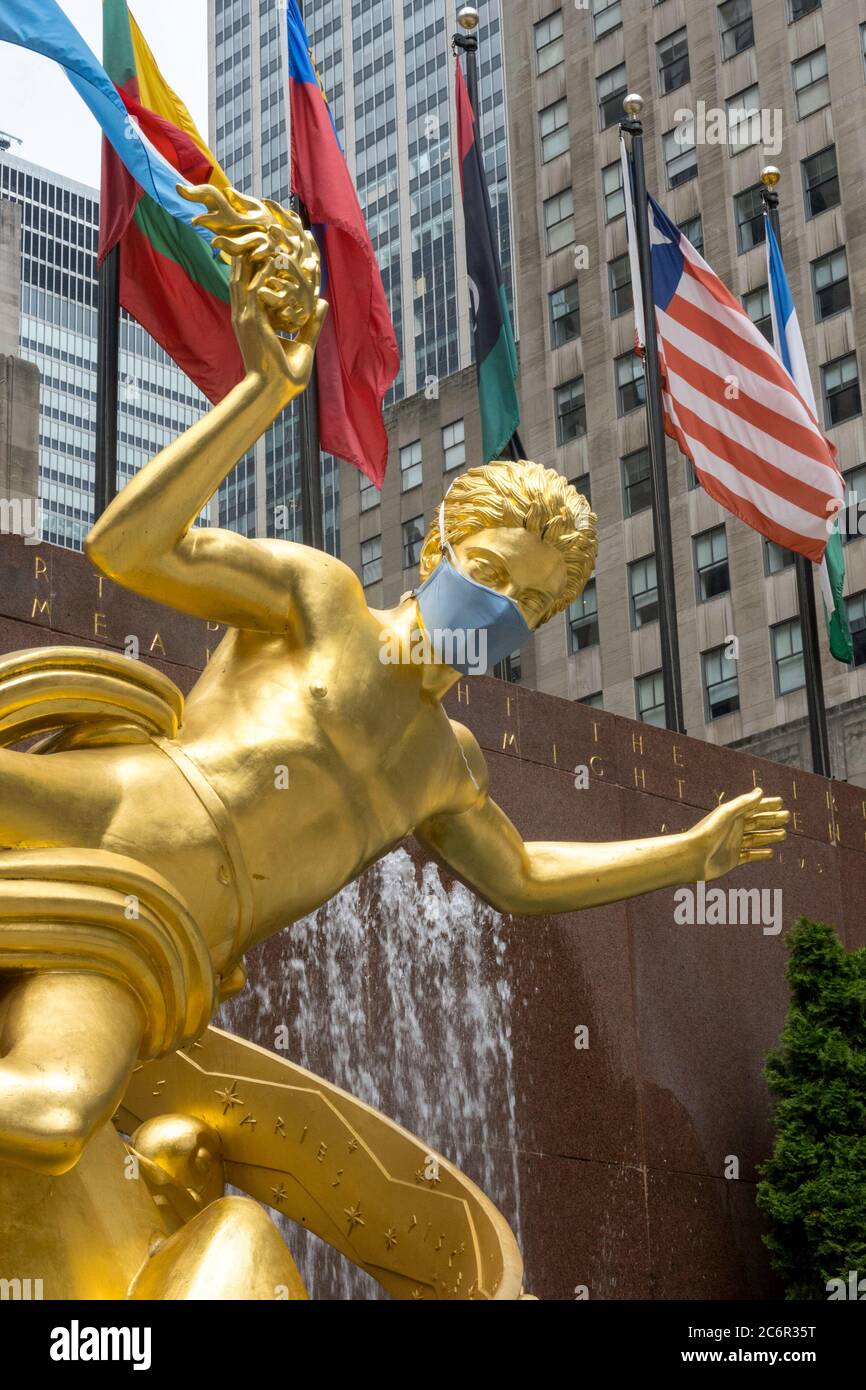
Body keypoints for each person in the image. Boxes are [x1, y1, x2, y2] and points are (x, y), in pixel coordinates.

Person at [0, 186, 788, 1176]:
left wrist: (686, 852)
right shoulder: (317, 596)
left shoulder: (441, 764)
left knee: (48, 1115)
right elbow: (125, 546)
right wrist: (265, 392)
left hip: (155, 941)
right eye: (490, 575)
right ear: (436, 547)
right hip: (97, 813)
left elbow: (524, 877)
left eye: (528, 608)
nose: (499, 611)